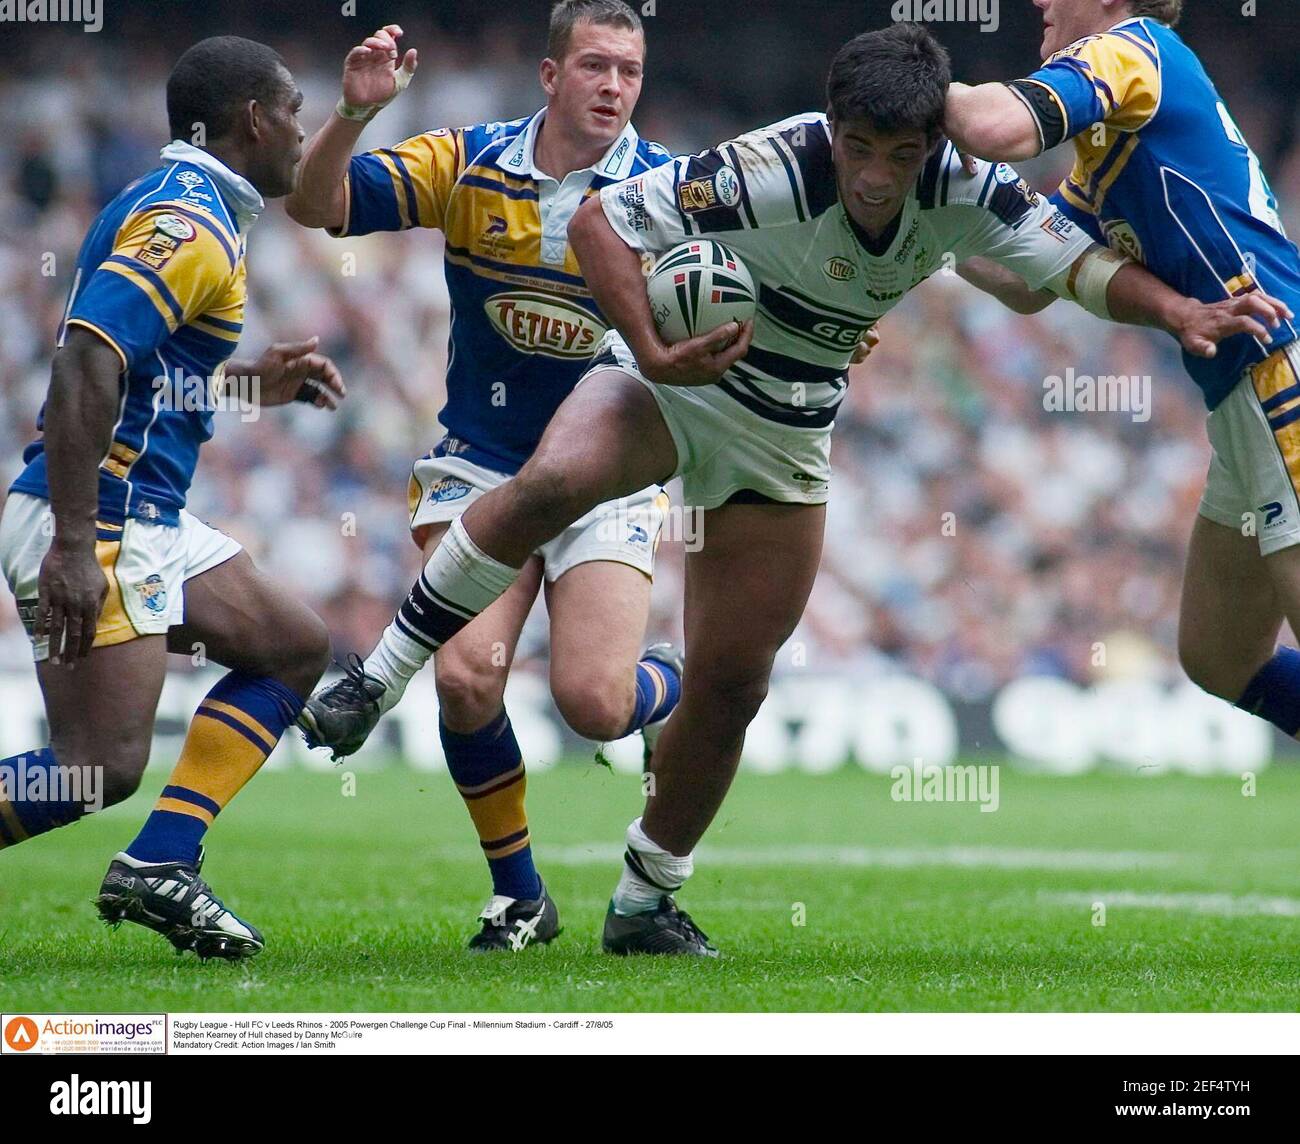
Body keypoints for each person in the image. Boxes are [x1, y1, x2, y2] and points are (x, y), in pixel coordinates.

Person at [299, 22, 1285, 955]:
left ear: (928, 142)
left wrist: (1176, 310)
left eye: (898, 155)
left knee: (734, 679)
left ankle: (645, 898)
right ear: (830, 128)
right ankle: (373, 679)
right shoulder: (765, 165)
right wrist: (650, 345)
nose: (873, 175)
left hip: (784, 430)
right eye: (857, 147)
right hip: (669, 378)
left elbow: (1068, 267)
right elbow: (600, 220)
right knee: (552, 479)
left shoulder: (966, 188)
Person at [286, 4, 685, 951]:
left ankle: (684, 688)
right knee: (466, 680)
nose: (613, 88)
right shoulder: (465, 162)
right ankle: (521, 898)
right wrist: (351, 114)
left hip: (606, 479)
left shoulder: (670, 188)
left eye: (629, 72)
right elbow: (312, 205)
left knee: (594, 704)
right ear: (549, 77)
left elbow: (754, 275)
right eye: (594, 66)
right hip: (480, 463)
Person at [0, 36, 346, 961]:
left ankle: (163, 862)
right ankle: (154, 855)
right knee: (96, 768)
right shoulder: (186, 222)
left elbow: (143, 377)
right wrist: (74, 542)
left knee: (294, 646)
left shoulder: (195, 211)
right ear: (254, 120)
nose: (303, 135)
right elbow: (85, 363)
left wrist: (248, 388)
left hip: (140, 512)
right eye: (298, 114)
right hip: (98, 513)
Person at [944, 0, 1300, 740]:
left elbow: (994, 129)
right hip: (1243, 398)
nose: (1039, 3)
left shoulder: (1131, 50)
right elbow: (1022, 279)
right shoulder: (1103, 157)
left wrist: (906, 83)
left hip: (1280, 368)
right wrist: (927, 225)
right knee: (1219, 655)